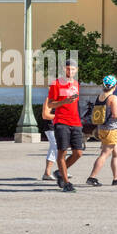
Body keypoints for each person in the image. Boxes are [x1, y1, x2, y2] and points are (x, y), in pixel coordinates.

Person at [46, 58, 85, 192]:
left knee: (78, 153)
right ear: (64, 69)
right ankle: (66, 182)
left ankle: (60, 172)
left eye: (73, 69)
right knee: (62, 152)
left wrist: (81, 120)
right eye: (68, 69)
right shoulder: (56, 84)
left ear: (76, 70)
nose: (71, 71)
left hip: (75, 122)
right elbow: (50, 104)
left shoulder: (76, 84)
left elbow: (76, 105)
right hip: (61, 121)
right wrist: (64, 101)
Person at [86, 75, 117, 186]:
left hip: (102, 128)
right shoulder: (113, 98)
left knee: (116, 153)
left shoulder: (100, 96)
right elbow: (115, 115)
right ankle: (92, 177)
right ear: (114, 86)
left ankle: (116, 178)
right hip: (111, 129)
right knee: (105, 154)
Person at [39, 91, 59, 180]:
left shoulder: (60, 100)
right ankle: (48, 173)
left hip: (58, 127)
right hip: (50, 127)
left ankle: (61, 171)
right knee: (54, 147)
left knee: (59, 148)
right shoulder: (49, 99)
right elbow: (45, 115)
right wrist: (60, 117)